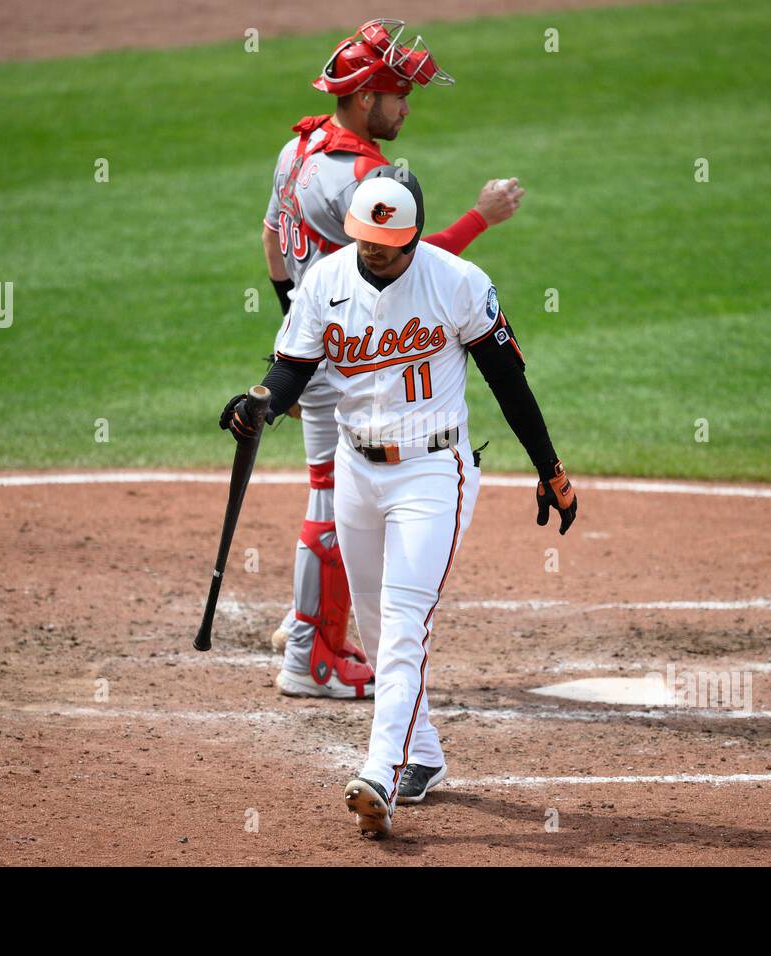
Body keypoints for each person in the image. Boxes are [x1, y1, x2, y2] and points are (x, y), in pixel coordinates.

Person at [221, 167, 577, 838]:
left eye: (385, 243)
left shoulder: (458, 283)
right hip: (356, 470)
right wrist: (262, 403)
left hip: (433, 471)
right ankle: (426, 757)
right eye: (364, 241)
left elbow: (508, 380)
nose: (372, 252)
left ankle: (379, 770)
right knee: (381, 627)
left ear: (411, 236)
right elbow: (293, 367)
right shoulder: (326, 281)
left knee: (406, 615)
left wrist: (548, 467)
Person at [260, 17, 525, 700]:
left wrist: (298, 326)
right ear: (364, 97)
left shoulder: (300, 146)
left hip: (319, 345)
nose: (406, 106)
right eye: (397, 93)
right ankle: (312, 656)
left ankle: (311, 618)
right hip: (348, 359)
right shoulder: (364, 173)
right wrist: (480, 217)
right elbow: (409, 259)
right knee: (331, 496)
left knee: (332, 490)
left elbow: (271, 238)